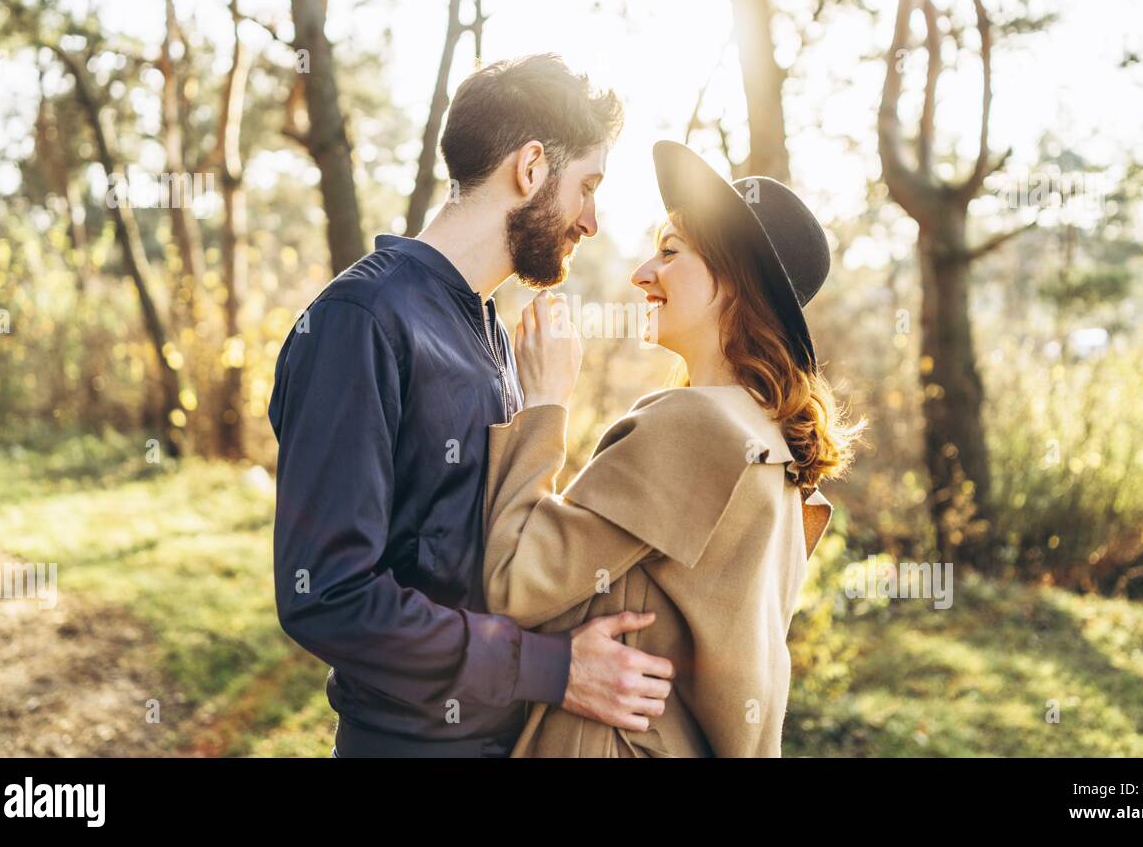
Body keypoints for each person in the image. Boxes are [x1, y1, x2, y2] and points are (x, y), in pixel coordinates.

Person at [268, 54, 677, 757]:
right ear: (530, 168)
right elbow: (327, 597)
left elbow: (486, 557)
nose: (593, 220)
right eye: (587, 186)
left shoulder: (487, 328)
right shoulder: (361, 321)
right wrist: (553, 669)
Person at [481, 140, 865, 756]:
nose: (640, 273)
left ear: (736, 284)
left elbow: (512, 583)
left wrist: (543, 405)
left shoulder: (693, 426)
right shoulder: (772, 442)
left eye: (669, 252)